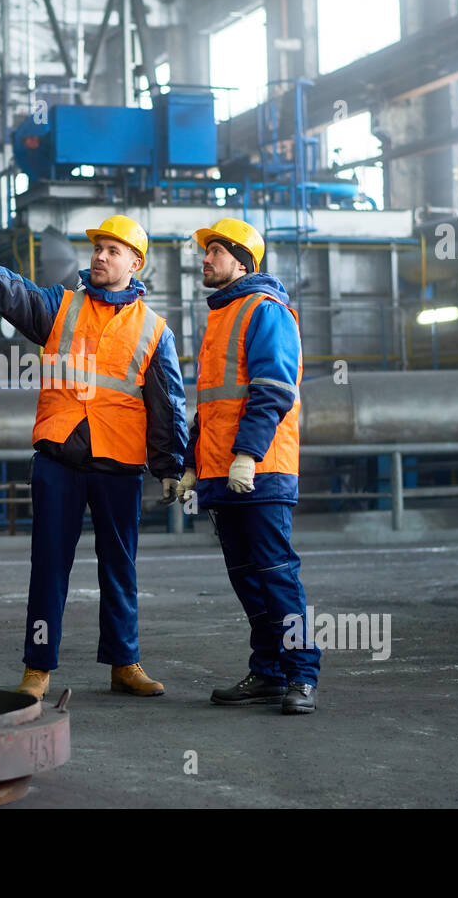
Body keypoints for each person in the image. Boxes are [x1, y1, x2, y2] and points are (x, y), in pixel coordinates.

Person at [0, 215, 188, 699]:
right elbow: (15, 295)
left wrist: (169, 467)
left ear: (135, 263)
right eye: (97, 247)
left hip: (117, 464)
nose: (99, 255)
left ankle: (125, 663)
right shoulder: (61, 306)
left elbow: (168, 403)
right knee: (48, 566)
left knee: (120, 567)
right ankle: (38, 668)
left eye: (112, 250)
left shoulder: (154, 331)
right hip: (58, 458)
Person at [174, 218, 321, 714]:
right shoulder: (222, 317)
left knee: (276, 574)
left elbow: (274, 390)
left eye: (215, 251)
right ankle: (269, 671)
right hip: (222, 472)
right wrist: (195, 464)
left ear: (242, 261)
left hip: (258, 468)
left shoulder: (266, 310)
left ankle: (302, 674)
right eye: (206, 251)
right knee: (247, 577)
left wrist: (247, 455)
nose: (205, 259)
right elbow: (211, 405)